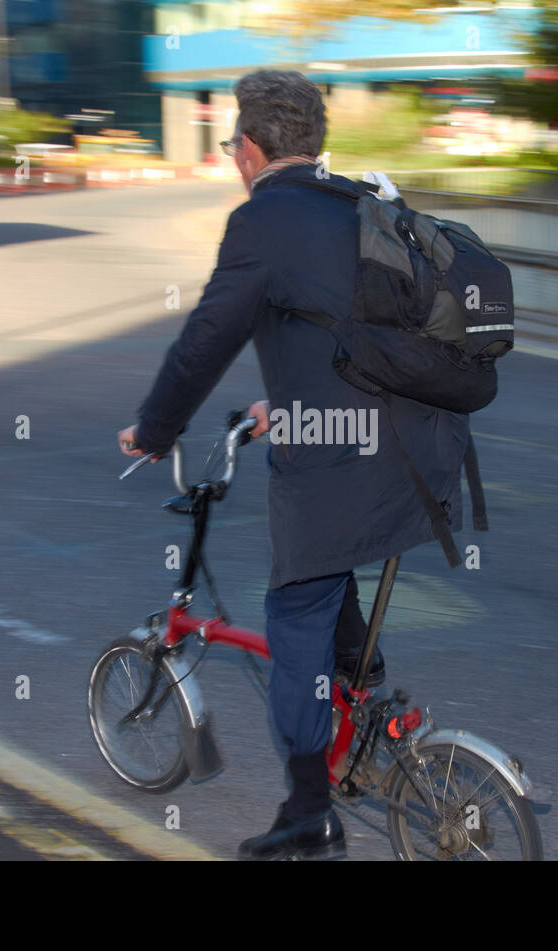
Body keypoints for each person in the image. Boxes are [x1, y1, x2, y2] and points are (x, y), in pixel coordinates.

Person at [118, 69, 469, 860]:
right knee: (332, 564)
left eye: (228, 146)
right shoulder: (358, 201)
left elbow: (208, 338)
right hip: (415, 451)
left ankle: (309, 811)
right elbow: (346, 320)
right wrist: (291, 403)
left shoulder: (263, 219)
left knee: (294, 614)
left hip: (340, 465)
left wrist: (154, 427)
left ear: (247, 148)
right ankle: (364, 689)